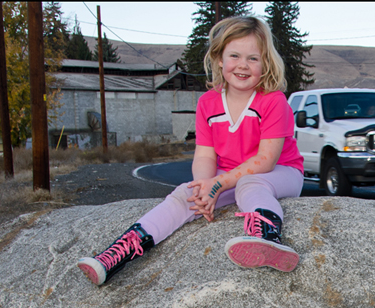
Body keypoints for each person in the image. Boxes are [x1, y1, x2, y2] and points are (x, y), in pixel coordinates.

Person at [77, 16, 304, 286]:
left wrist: (218, 183)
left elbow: (265, 161)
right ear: (219, 59)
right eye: (234, 55)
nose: (243, 65)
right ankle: (116, 255)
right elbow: (205, 155)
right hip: (228, 174)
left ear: (266, 62)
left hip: (281, 172)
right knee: (185, 194)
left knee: (248, 183)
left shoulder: (273, 101)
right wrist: (204, 186)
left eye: (253, 58)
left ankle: (268, 238)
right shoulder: (208, 103)